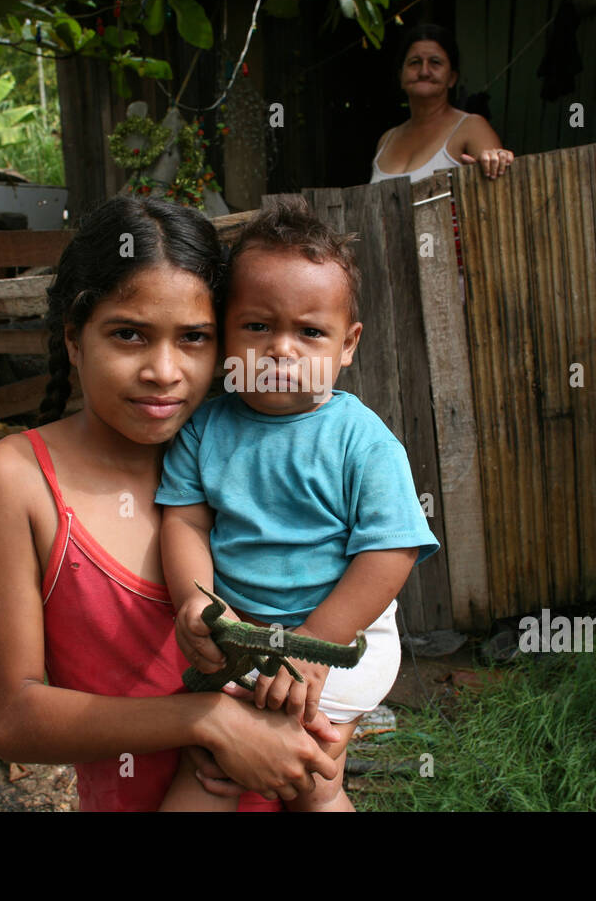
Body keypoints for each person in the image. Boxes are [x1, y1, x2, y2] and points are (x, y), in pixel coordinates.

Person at [0, 195, 343, 812]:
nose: (164, 371)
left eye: (193, 338)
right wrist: (207, 720)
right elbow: (13, 718)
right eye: (128, 335)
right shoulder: (19, 480)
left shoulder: (263, 459)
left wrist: (328, 733)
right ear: (73, 339)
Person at [155, 197, 440, 811]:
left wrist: (310, 651)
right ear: (225, 328)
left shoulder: (361, 440)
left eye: (310, 332)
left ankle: (314, 775)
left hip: (340, 645)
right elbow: (184, 521)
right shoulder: (205, 429)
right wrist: (197, 601)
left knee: (305, 776)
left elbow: (390, 553)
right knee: (205, 773)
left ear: (348, 345)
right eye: (258, 326)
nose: (282, 349)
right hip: (241, 637)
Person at [370, 23, 515, 183]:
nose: (424, 71)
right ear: (401, 76)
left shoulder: (472, 127)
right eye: (415, 62)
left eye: (435, 62)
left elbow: (496, 187)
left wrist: (496, 159)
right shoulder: (387, 140)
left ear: (452, 78)